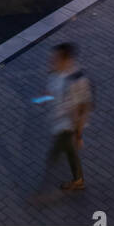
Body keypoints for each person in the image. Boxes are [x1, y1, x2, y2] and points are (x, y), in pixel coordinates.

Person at [35, 42, 92, 196]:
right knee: (69, 151)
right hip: (57, 121)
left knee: (54, 153)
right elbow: (51, 90)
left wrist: (79, 134)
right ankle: (78, 179)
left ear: (67, 60)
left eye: (56, 58)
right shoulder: (54, 72)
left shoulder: (77, 79)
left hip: (68, 125)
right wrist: (43, 98)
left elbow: (83, 107)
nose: (52, 60)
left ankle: (43, 191)